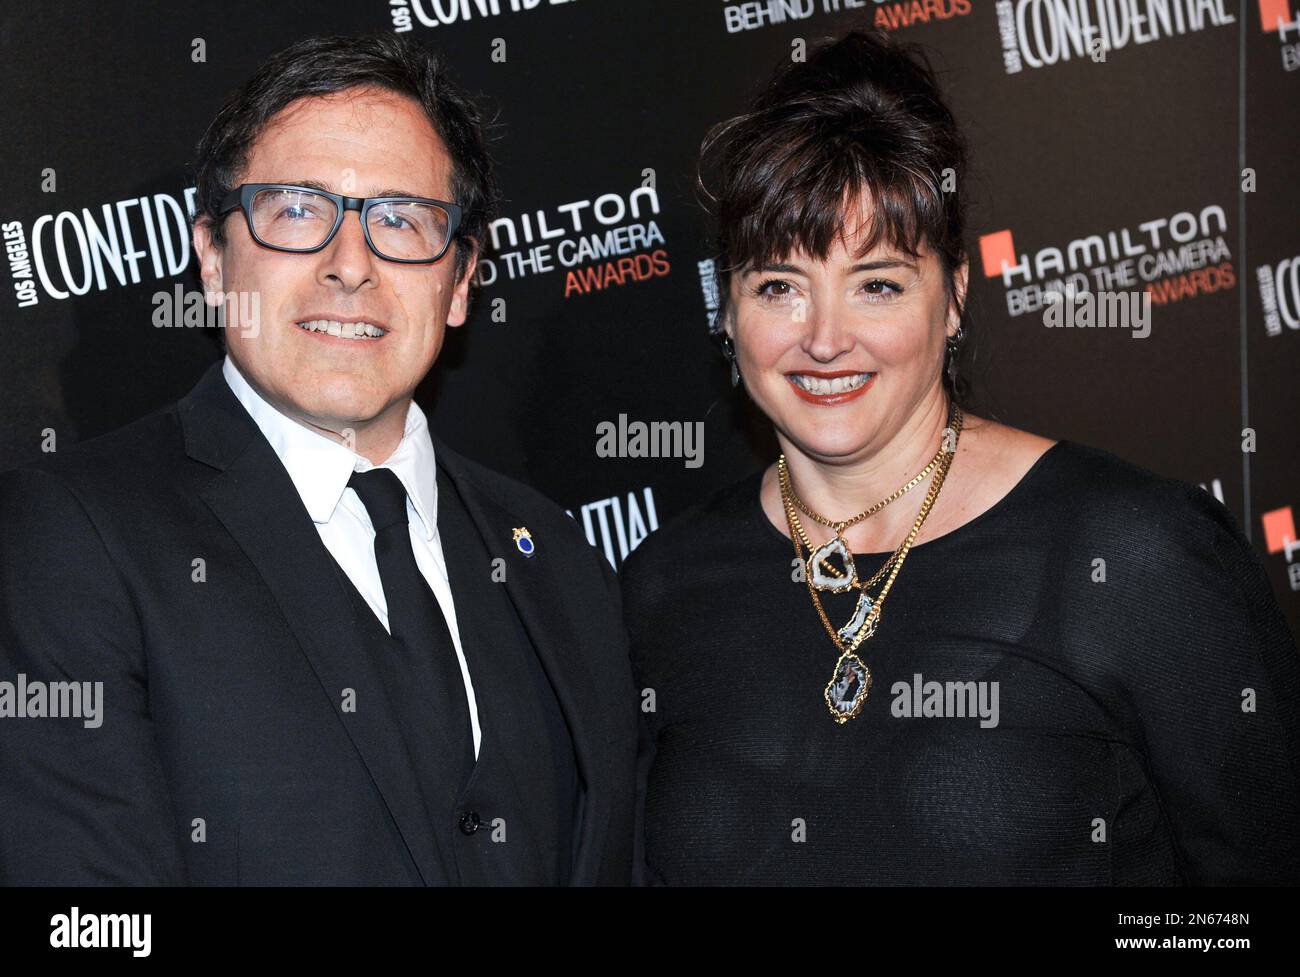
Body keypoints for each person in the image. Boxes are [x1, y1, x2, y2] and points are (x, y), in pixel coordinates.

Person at [621, 29, 1300, 885]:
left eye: (878, 283)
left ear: (954, 301)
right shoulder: (663, 587)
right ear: (728, 312)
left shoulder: (1133, 555)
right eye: (779, 286)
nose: (825, 340)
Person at [0, 34, 638, 885]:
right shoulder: (73, 538)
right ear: (215, 258)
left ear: (458, 283)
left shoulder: (555, 556)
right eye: (298, 209)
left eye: (402, 220)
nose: (350, 266)